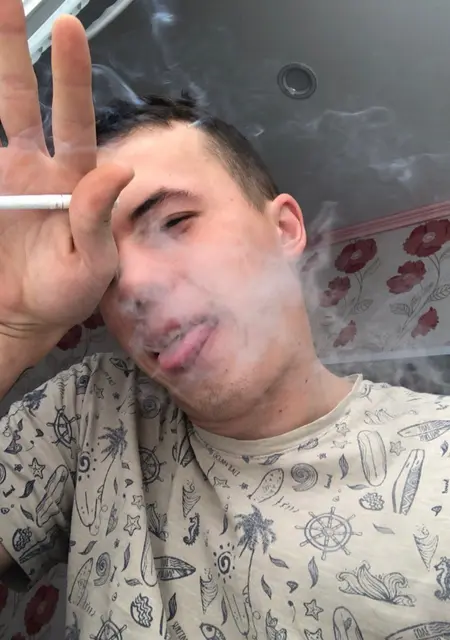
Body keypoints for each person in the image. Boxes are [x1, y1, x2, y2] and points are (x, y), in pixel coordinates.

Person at [0, 1, 449, 638]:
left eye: (176, 222)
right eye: (107, 264)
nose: (134, 287)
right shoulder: (87, 413)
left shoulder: (437, 457)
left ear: (285, 228)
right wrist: (9, 332)